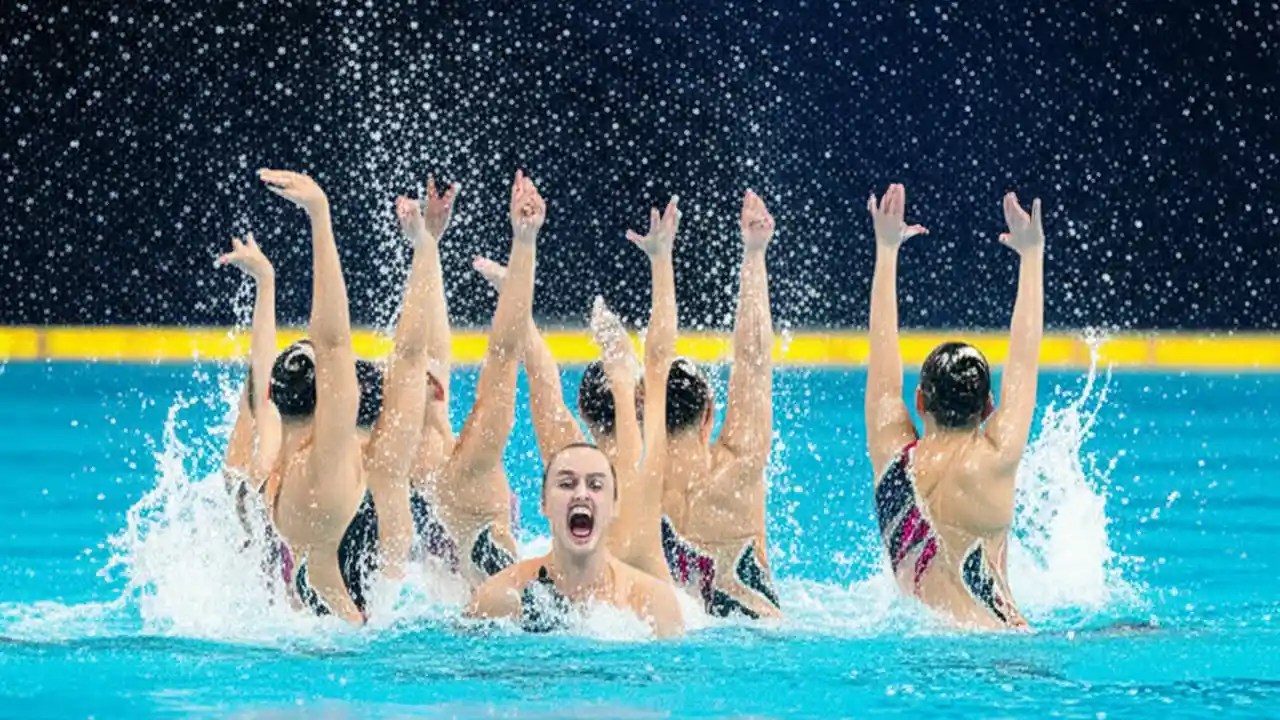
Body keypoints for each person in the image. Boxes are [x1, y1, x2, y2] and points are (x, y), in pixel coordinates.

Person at [470, 197, 683, 583]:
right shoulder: (653, 467)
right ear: (639, 401)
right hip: (647, 620)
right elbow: (660, 356)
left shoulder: (566, 463)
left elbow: (541, 375)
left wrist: (512, 292)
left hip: (573, 605)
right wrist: (661, 257)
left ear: (583, 413)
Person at [258, 167, 434, 623]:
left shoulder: (270, 464)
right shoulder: (363, 463)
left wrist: (268, 282)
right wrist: (425, 249)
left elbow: (329, 348)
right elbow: (402, 356)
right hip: (361, 630)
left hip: (327, 629)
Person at [865, 183, 1044, 630]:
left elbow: (884, 372)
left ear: (920, 400)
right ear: (989, 407)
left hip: (920, 651)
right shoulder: (997, 458)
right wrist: (1032, 256)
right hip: (1005, 647)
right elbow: (1024, 359)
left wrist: (887, 252)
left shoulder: (893, 461)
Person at [399, 171, 543, 589]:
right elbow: (432, 355)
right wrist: (427, 247)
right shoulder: (437, 463)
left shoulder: (447, 466)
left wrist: (427, 247)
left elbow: (492, 355)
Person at [658, 190, 782, 620]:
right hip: (759, 642)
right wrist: (754, 254)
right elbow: (753, 360)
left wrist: (661, 259)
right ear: (709, 412)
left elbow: (657, 361)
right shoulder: (740, 465)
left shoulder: (632, 480)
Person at [464, 444, 684, 638]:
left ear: (615, 506)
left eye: (596, 485)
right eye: (567, 484)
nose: (581, 494)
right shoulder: (498, 598)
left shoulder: (653, 604)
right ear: (544, 504)